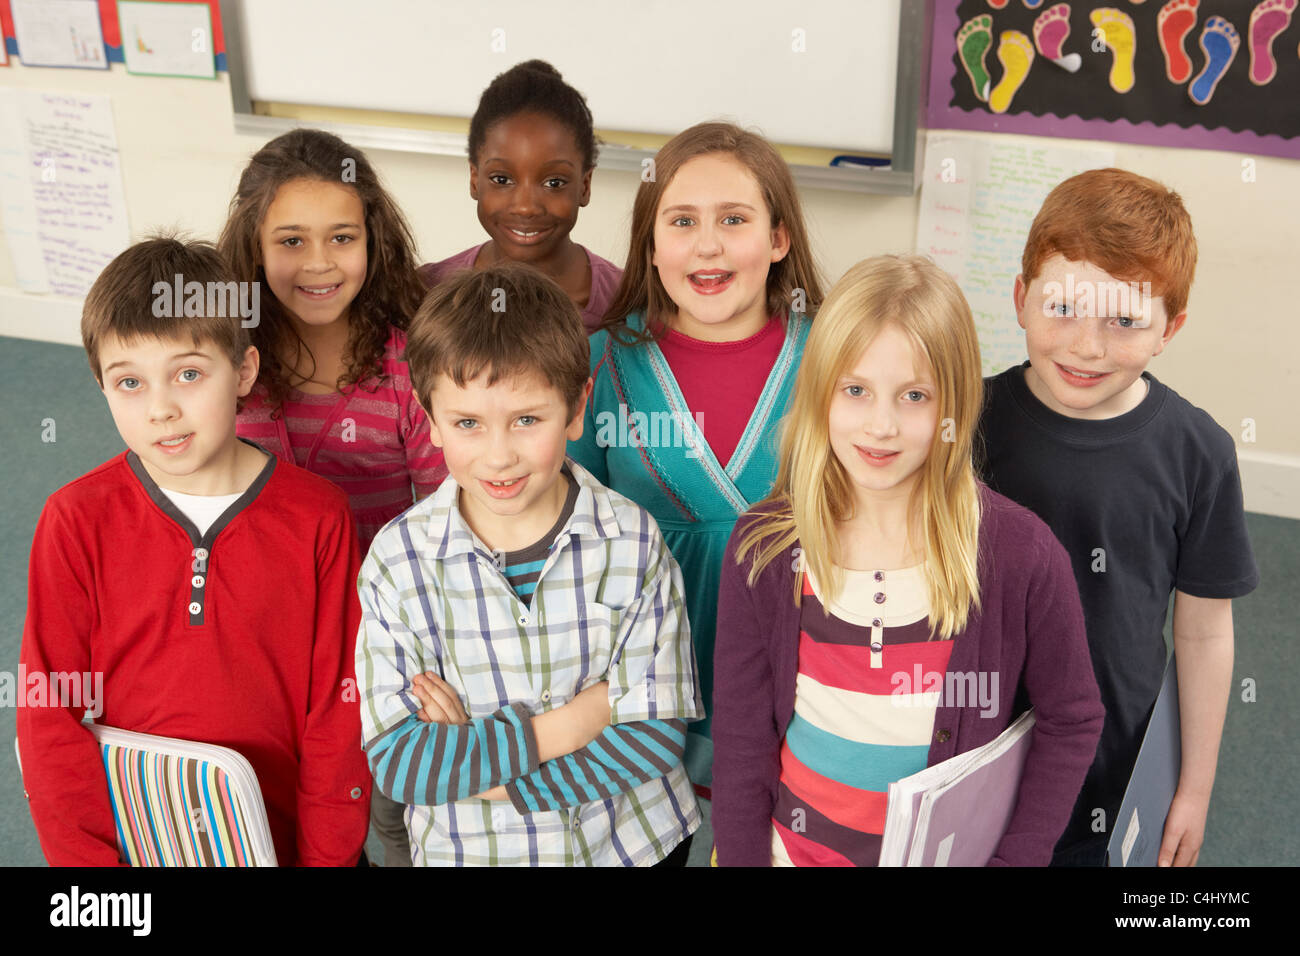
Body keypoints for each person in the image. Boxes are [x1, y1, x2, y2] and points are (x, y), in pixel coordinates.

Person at [711, 255, 1104, 866]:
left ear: (954, 407)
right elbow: (741, 739)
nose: (882, 425)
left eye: (914, 395)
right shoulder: (765, 547)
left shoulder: (1018, 554)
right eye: (856, 390)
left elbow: (1072, 720)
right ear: (821, 394)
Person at [17, 236, 371, 866]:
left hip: (280, 845)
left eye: (188, 374)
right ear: (100, 386)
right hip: (133, 853)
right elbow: (49, 720)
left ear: (243, 371)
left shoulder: (319, 516)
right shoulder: (74, 520)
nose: (162, 409)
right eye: (129, 382)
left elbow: (336, 719)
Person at [355, 263, 702, 865]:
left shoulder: (632, 540)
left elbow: (653, 736)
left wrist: (480, 771)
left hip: (632, 845)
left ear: (575, 409)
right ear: (429, 419)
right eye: (468, 423)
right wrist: (578, 721)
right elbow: (403, 763)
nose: (499, 455)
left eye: (527, 420)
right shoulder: (397, 562)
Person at [978, 168, 1258, 866]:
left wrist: (1194, 787)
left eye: (1124, 321)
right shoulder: (964, 423)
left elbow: (1202, 634)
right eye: (1063, 307)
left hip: (1112, 763)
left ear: (1170, 329)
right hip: (972, 754)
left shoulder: (1201, 452)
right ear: (1020, 299)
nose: (1087, 346)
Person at [568, 121, 825, 786]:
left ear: (778, 238)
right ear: (649, 246)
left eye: (734, 219)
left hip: (804, 708)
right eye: (681, 221)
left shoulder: (839, 360)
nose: (707, 246)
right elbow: (563, 545)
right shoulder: (602, 367)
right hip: (636, 717)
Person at [220, 128, 445, 557]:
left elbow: (445, 517)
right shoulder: (224, 363)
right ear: (255, 247)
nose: (319, 263)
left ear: (372, 241)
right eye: (292, 241)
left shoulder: (411, 367)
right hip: (256, 597)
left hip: (376, 605)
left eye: (342, 238)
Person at [419, 59, 621, 333]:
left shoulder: (626, 304)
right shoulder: (427, 293)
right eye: (502, 179)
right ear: (474, 179)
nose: (526, 207)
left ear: (585, 186)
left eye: (554, 182)